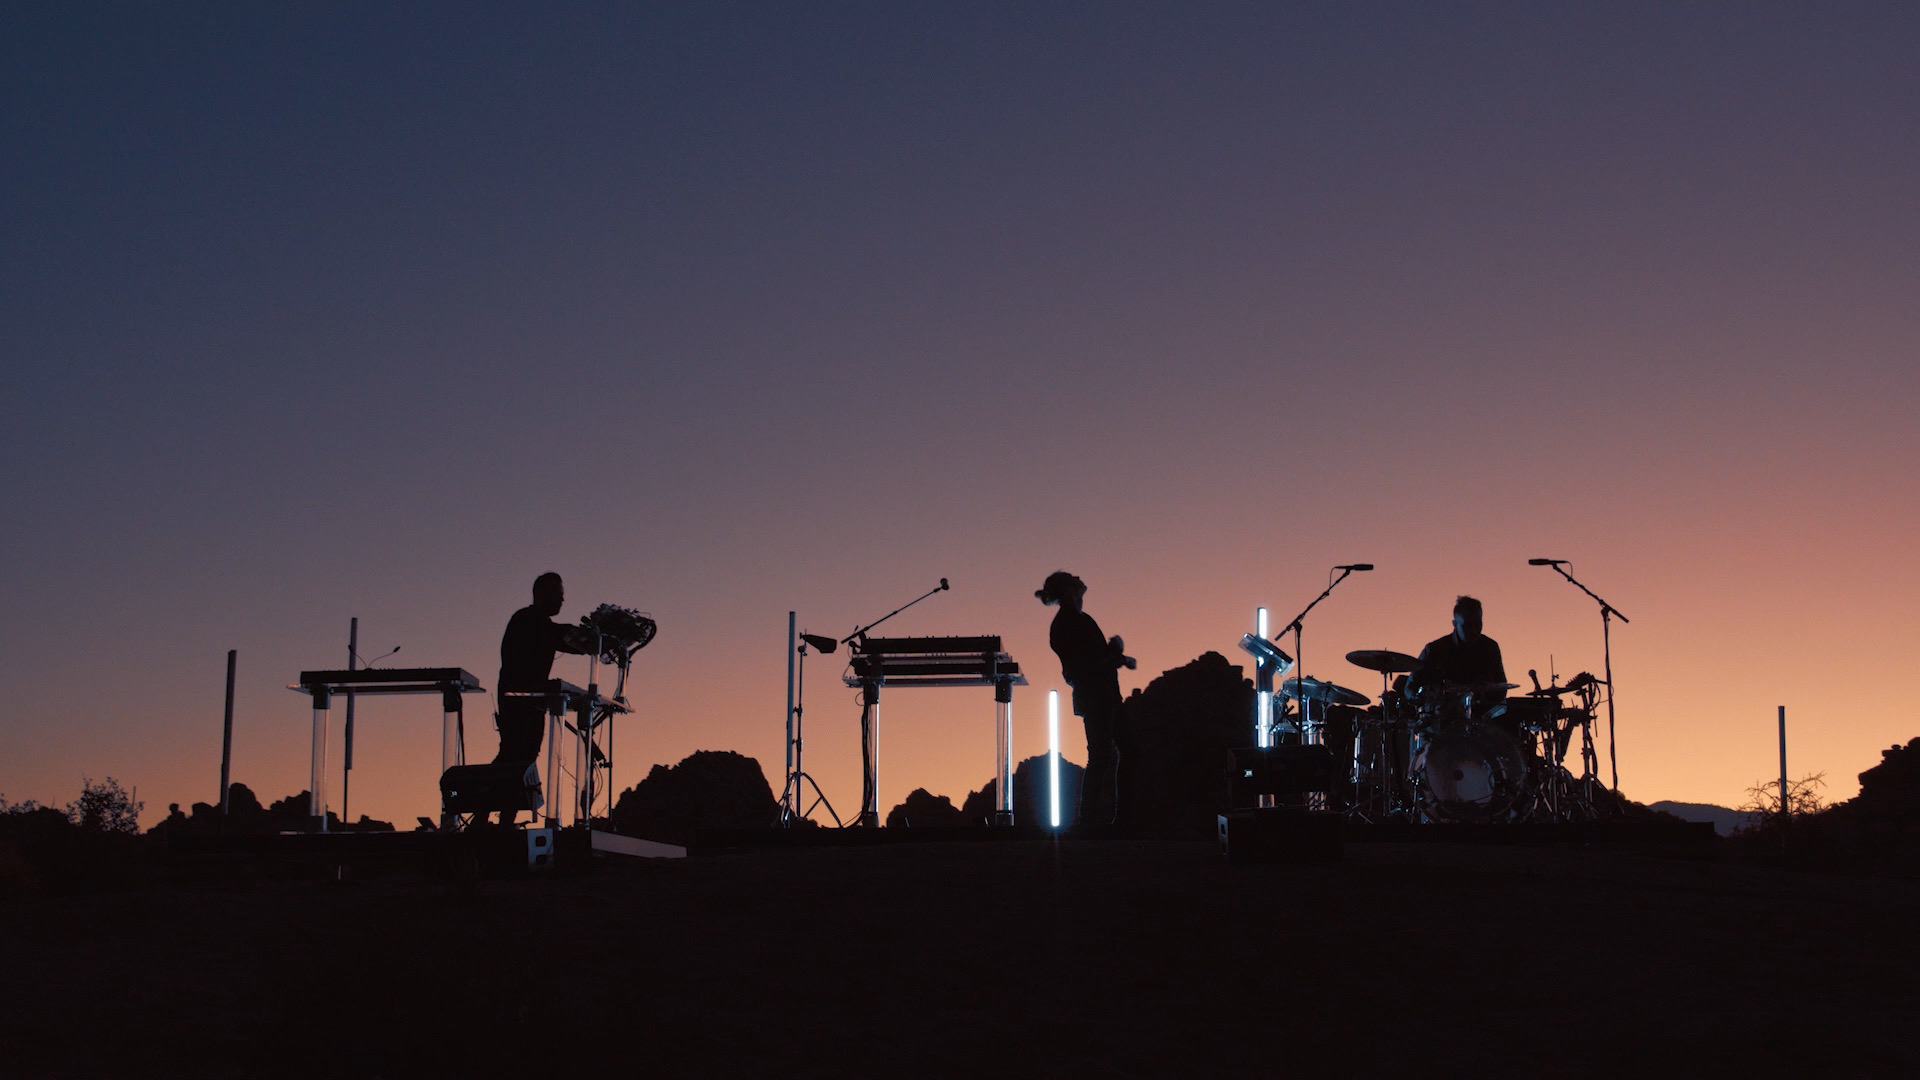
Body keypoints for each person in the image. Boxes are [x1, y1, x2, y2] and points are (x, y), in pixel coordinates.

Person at [474, 572, 592, 826]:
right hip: (519, 702)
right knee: (512, 757)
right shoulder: (527, 620)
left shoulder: (538, 623)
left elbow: (564, 640)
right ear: (541, 595)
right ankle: (484, 816)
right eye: (558, 595)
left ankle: (503, 818)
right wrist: (589, 637)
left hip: (533, 701)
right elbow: (561, 637)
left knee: (521, 758)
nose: (562, 601)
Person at [1036, 571, 1137, 827]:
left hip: (1102, 696)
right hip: (1098, 697)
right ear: (1069, 590)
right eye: (1073, 578)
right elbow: (1086, 665)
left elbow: (1087, 663)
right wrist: (1117, 654)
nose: (1079, 578)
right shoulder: (1070, 624)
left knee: (1107, 754)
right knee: (1104, 755)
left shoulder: (1071, 623)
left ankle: (1100, 817)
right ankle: (1100, 818)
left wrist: (1117, 656)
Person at [1409, 595, 1507, 714]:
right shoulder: (1435, 650)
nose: (1474, 631)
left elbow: (1501, 687)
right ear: (1454, 624)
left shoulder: (1490, 647)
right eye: (1468, 626)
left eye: (1478, 624)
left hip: (1480, 718)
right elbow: (1410, 688)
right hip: (1442, 719)